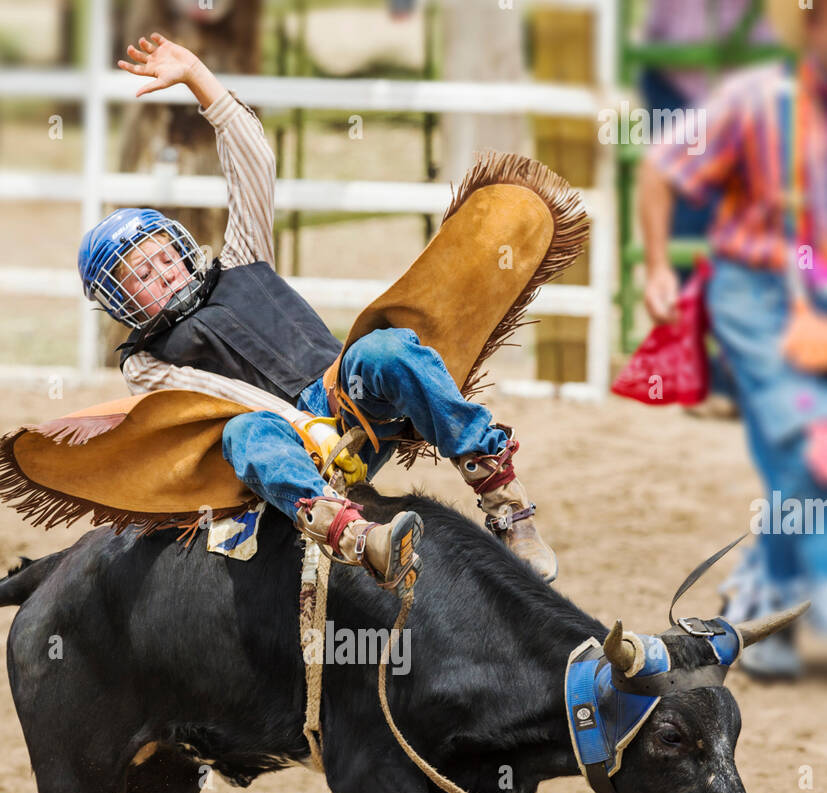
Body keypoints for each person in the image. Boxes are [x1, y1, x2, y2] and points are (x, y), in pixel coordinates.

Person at [77, 32, 557, 587]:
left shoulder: (241, 257)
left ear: (182, 248)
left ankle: (504, 501)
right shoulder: (142, 363)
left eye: (161, 259)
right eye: (139, 276)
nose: (160, 275)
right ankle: (360, 537)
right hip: (283, 446)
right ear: (121, 301)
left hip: (346, 402)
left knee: (384, 349)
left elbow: (252, 163)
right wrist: (302, 425)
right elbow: (213, 398)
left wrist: (197, 78)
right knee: (243, 434)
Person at [638, 0, 827, 677]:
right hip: (757, 296)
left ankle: (759, 597)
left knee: (796, 464)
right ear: (812, 26)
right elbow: (662, 168)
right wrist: (659, 267)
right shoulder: (755, 102)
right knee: (806, 453)